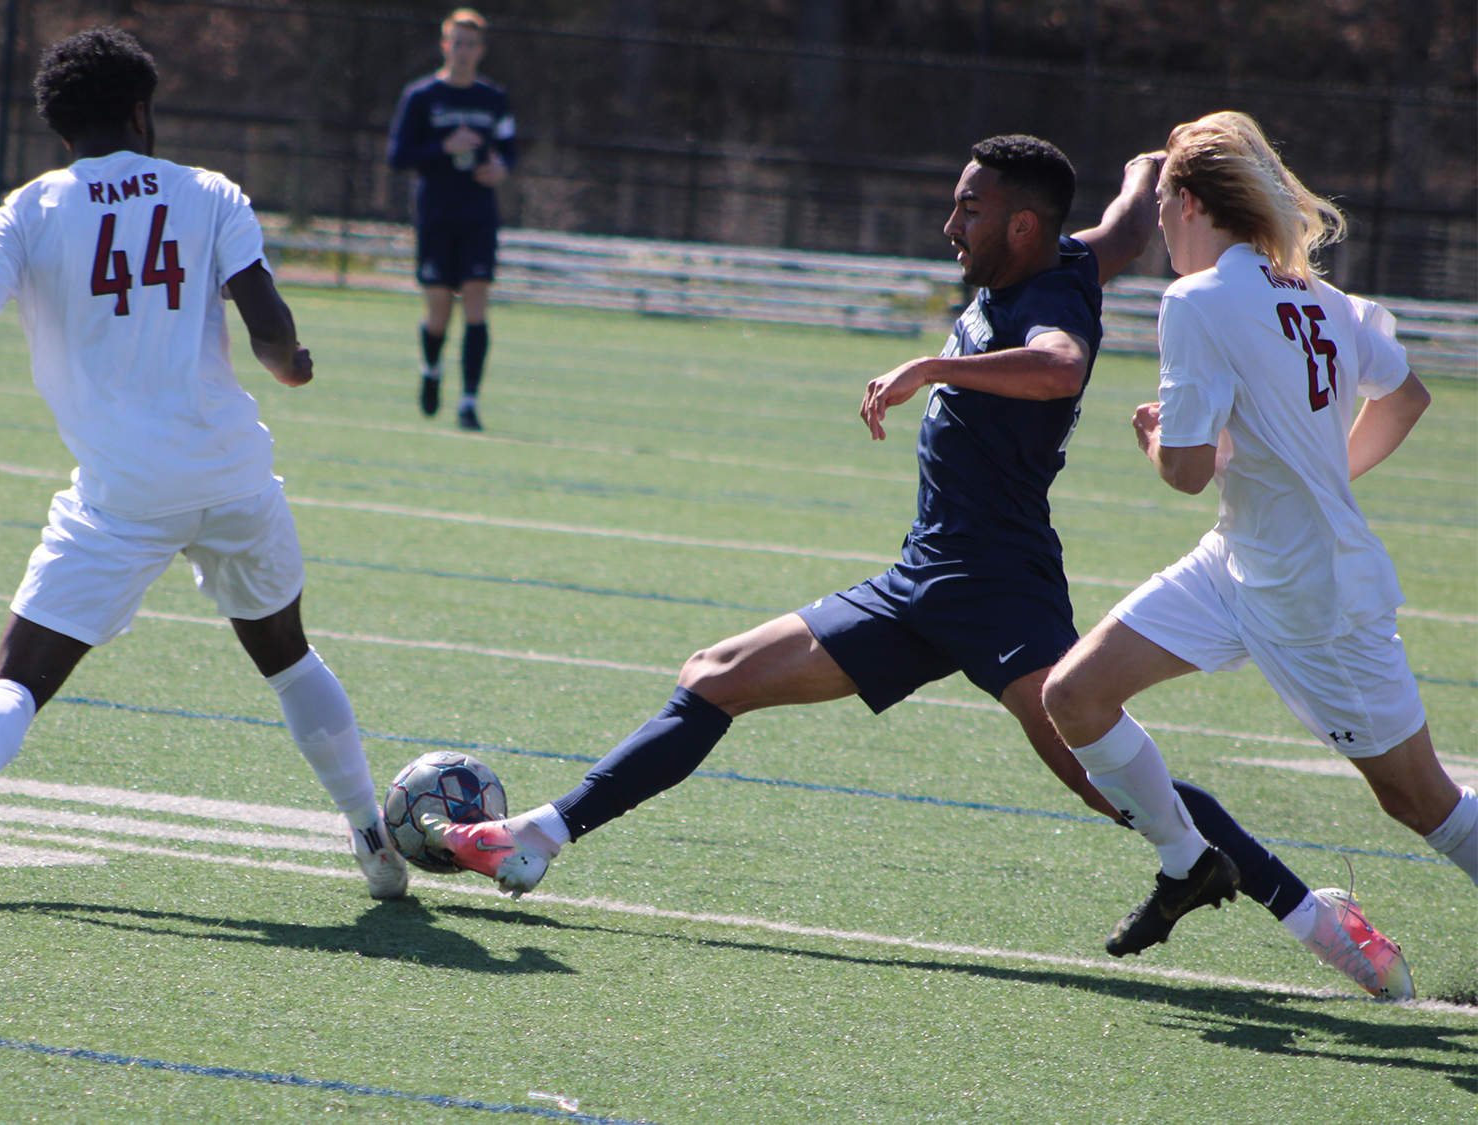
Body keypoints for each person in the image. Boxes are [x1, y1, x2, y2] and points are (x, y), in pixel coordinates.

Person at [422, 135, 1413, 998]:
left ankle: (1320, 922)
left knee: (1116, 786)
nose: (950, 223)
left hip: (998, 589)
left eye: (969, 208)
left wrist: (933, 367)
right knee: (715, 676)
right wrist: (1144, 175)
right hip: (921, 581)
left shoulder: (1051, 296)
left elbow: (1062, 365)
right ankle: (536, 839)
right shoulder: (1068, 252)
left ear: (1022, 226)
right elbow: (1116, 229)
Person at [0, 26, 409, 901]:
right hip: (230, 475)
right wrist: (293, 364)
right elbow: (271, 335)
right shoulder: (210, 192)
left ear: (59, 128)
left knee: (20, 677)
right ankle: (373, 837)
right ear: (141, 111)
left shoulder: (29, 210)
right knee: (289, 657)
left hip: (123, 495)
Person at [1039, 111, 1474, 997]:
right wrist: (1321, 474)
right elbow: (1407, 397)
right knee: (1075, 694)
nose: (1159, 224)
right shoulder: (1322, 297)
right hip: (1239, 562)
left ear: (1191, 202)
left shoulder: (1195, 302)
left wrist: (1157, 441)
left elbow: (1189, 473)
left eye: (1163, 204)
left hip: (1317, 598)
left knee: (1420, 800)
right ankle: (1188, 862)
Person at [386, 7, 517, 432]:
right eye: (455, 42)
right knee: (439, 311)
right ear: (444, 45)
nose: (462, 51)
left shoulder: (494, 98)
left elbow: (510, 147)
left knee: (477, 304)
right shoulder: (421, 96)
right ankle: (431, 369)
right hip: (436, 216)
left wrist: (502, 168)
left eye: (470, 44)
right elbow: (398, 156)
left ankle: (469, 401)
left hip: (478, 215)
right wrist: (445, 146)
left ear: (482, 50)